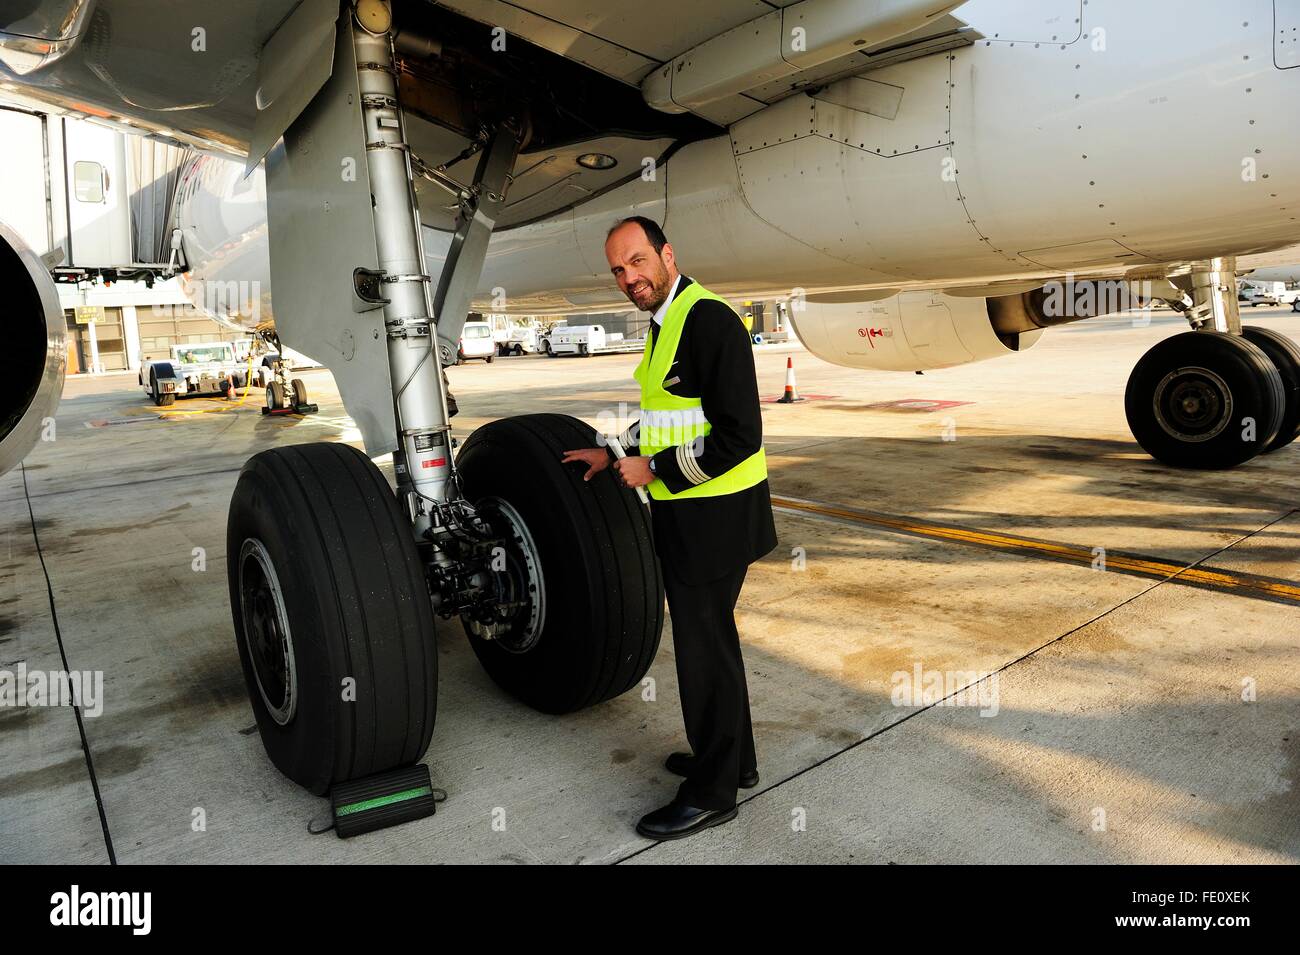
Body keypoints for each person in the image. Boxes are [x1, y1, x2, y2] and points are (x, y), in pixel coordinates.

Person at [562, 216, 777, 841]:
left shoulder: (708, 320)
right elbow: (667, 417)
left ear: (667, 254)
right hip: (696, 516)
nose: (629, 278)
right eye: (618, 270)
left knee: (702, 654)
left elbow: (740, 436)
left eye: (636, 261)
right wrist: (612, 451)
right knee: (716, 644)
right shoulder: (666, 321)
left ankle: (711, 792)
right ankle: (735, 763)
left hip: (715, 520)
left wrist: (652, 469)